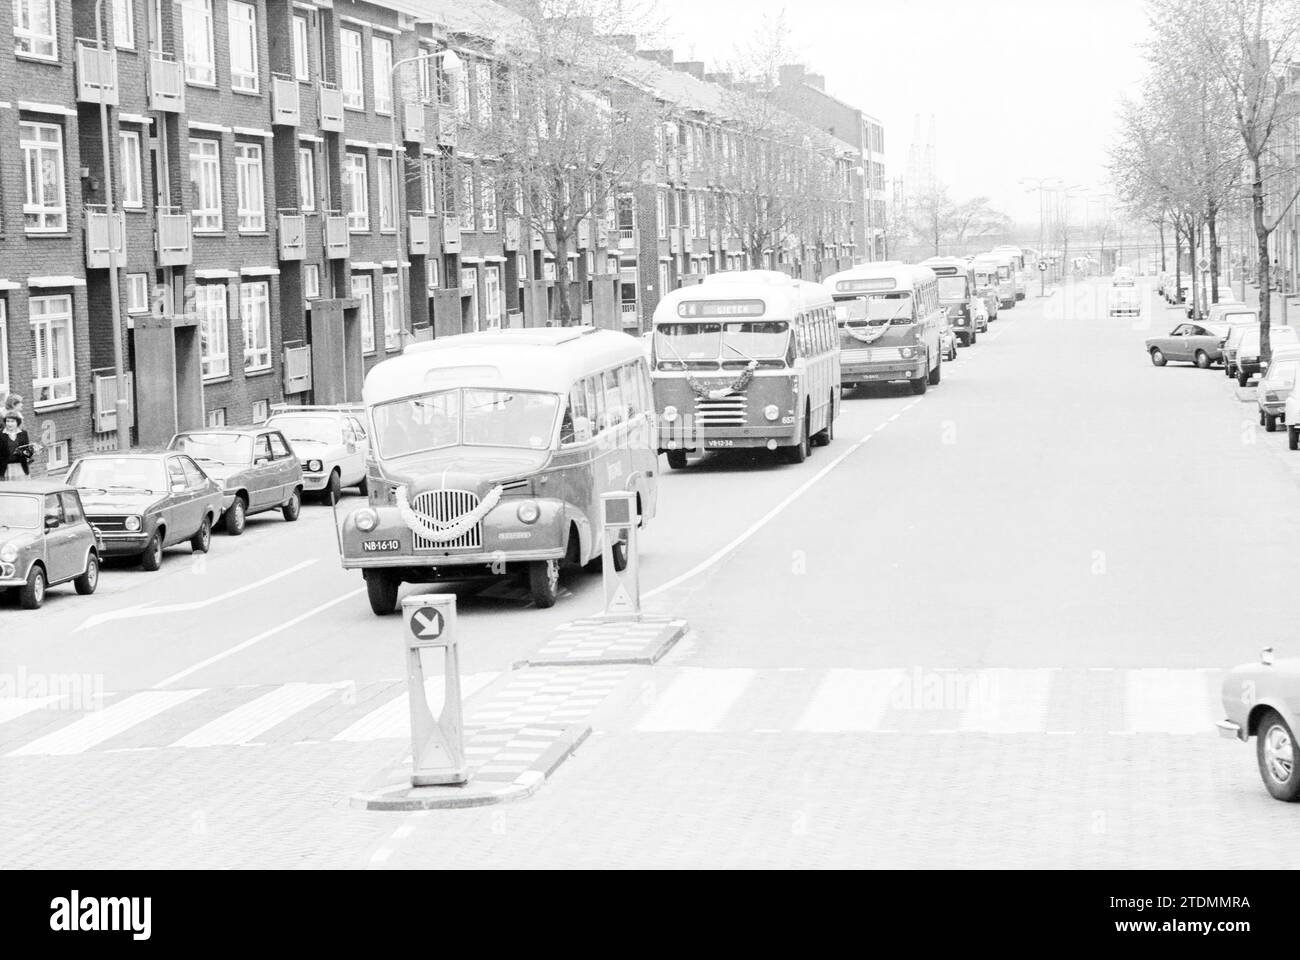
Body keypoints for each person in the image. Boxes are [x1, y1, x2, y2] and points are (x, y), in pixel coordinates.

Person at [1, 411, 34, 481]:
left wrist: (30, 452)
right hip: (6, 469)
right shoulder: (1, 435)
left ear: (17, 422)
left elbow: (27, 453)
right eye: (8, 421)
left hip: (21, 468)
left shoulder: (23, 434)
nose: (9, 424)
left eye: (12, 421)